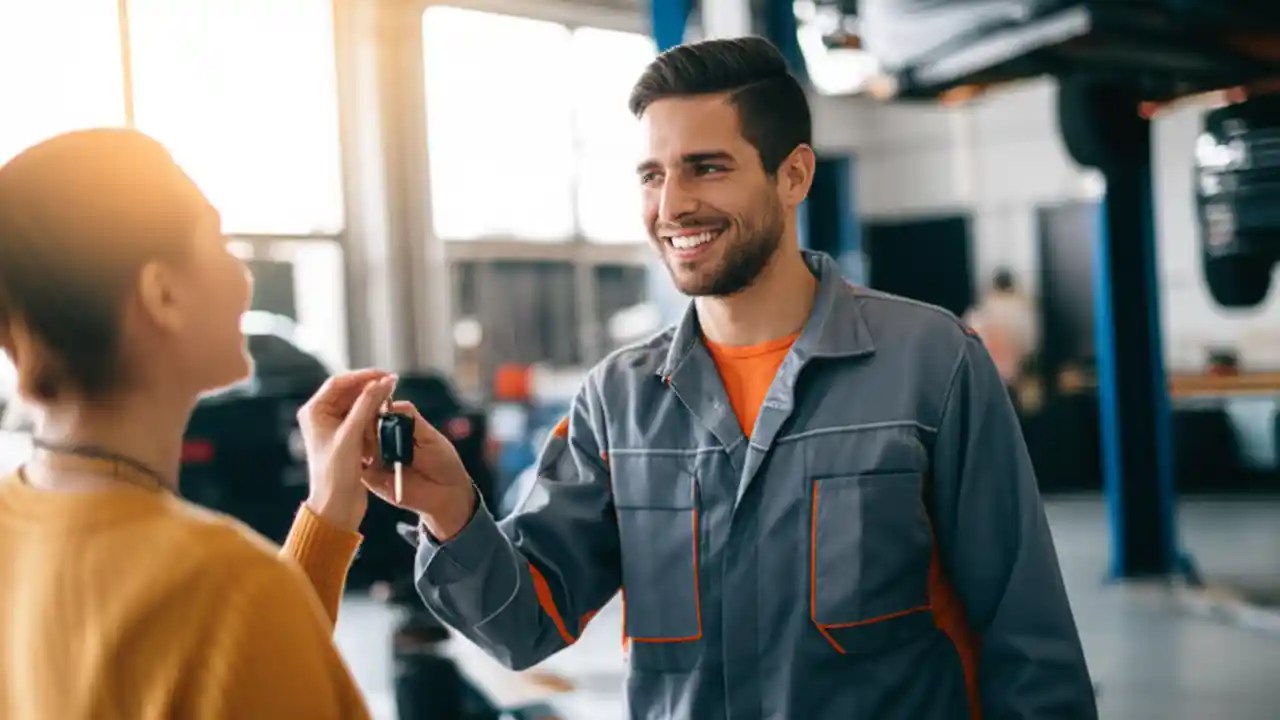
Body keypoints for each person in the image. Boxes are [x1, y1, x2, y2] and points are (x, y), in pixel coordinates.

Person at [369, 38, 1097, 719]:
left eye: (706, 167)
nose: (673, 203)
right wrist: (451, 511)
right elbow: (525, 626)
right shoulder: (618, 402)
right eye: (653, 174)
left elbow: (1025, 633)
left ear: (794, 176)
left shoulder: (930, 364)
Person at [0, 129, 385, 719]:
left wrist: (329, 511)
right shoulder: (225, 588)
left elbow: (229, 672)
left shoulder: (20, 529)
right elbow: (233, 629)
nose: (243, 280)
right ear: (162, 294)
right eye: (220, 244)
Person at [964, 267, 1038, 387]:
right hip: (1015, 378)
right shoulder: (1023, 315)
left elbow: (967, 347)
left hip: (985, 378)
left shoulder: (978, 314)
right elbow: (1030, 346)